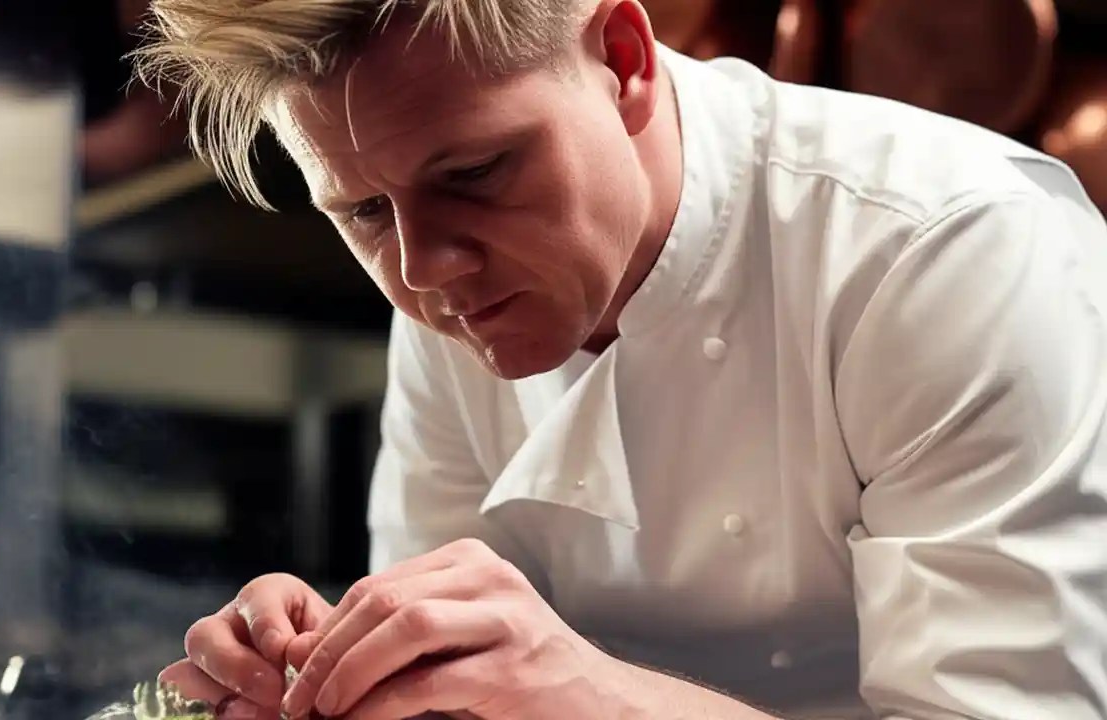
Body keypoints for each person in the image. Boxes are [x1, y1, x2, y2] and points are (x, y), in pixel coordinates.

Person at [131, 1, 1107, 718]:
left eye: (474, 173)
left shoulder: (948, 249)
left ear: (623, 57)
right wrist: (339, 678)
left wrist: (575, 687)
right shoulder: (447, 285)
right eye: (362, 212)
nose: (425, 270)